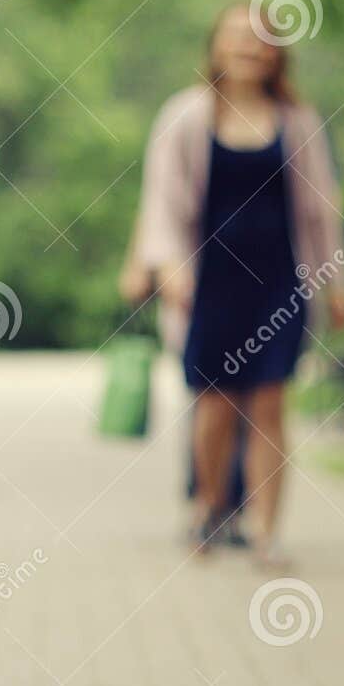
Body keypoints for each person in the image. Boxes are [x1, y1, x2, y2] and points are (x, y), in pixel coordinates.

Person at [132, 1, 344, 568]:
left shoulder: (298, 121)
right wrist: (169, 266)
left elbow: (322, 209)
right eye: (236, 38)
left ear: (277, 52)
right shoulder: (184, 116)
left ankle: (266, 531)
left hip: (280, 281)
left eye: (260, 40)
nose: (248, 49)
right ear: (215, 47)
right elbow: (162, 202)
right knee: (215, 406)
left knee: (272, 403)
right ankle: (210, 508)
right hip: (212, 282)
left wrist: (337, 281)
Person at [119, 212, 250, 546]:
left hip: (249, 294)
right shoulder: (179, 160)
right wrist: (138, 265)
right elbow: (157, 212)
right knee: (206, 404)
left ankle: (232, 507)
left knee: (244, 411)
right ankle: (204, 502)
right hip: (192, 300)